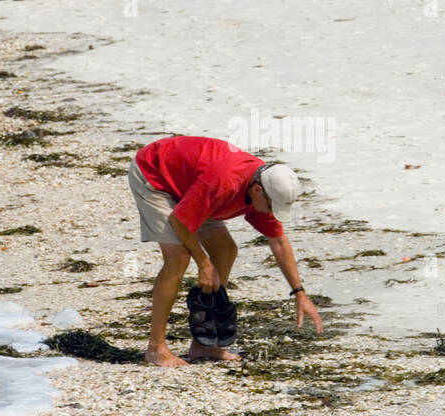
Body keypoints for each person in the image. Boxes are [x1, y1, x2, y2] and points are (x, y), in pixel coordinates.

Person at [128, 135, 323, 367]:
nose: (271, 213)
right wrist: (203, 264)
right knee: (179, 257)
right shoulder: (223, 183)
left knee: (226, 249)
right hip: (155, 174)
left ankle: (204, 344)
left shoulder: (260, 188)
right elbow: (179, 222)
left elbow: (279, 242)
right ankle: (156, 348)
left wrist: (299, 293)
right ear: (258, 190)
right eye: (271, 207)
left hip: (194, 185)